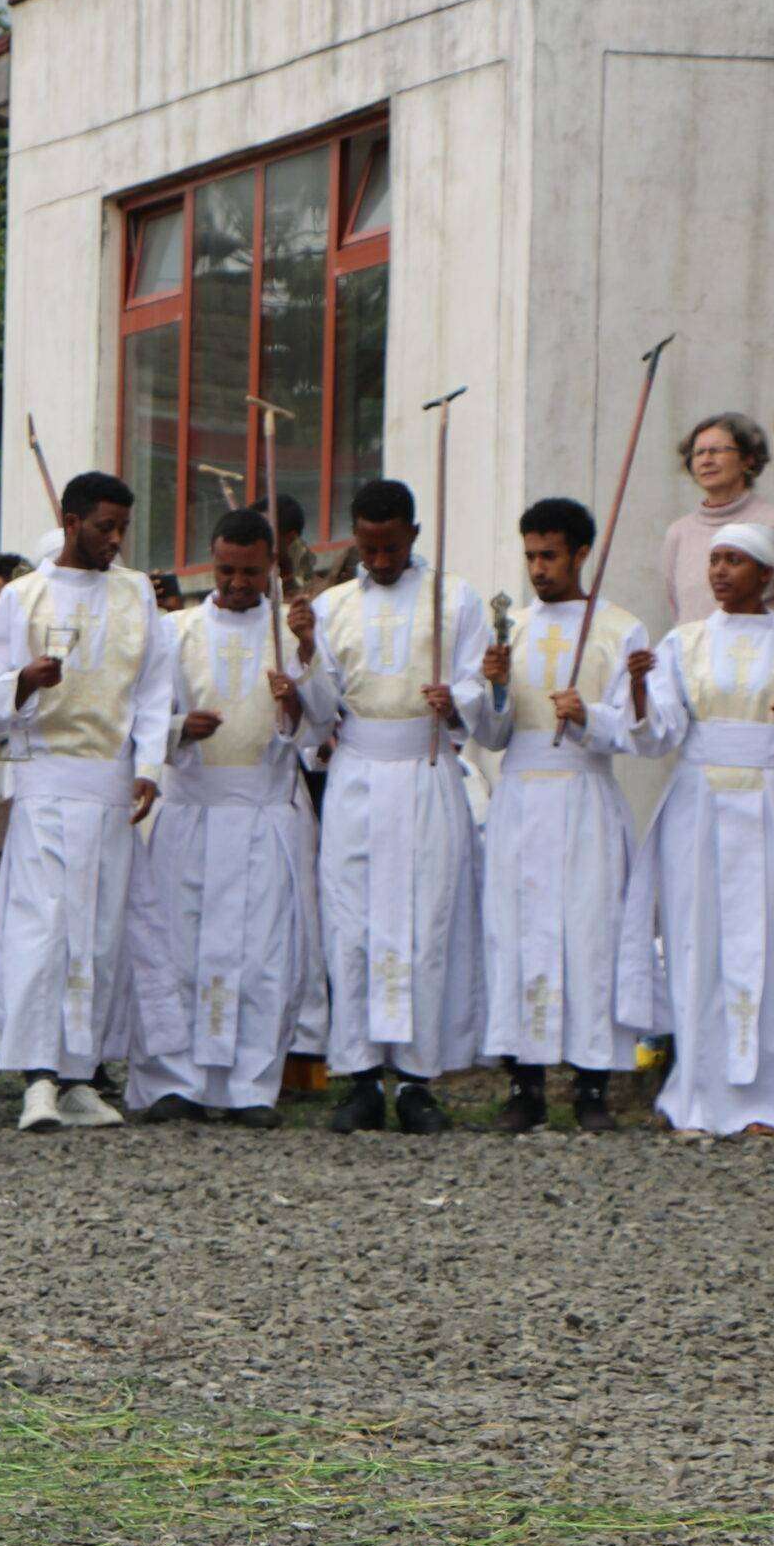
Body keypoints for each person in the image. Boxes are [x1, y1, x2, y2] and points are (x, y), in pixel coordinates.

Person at [618, 523, 774, 1136]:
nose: (719, 570)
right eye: (715, 559)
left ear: (769, 575)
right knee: (702, 941)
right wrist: (640, 690)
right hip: (700, 810)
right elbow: (660, 732)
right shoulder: (685, 642)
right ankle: (704, 1092)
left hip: (771, 806)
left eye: (736, 560)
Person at [0, 471, 176, 1132]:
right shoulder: (25, 596)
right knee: (45, 929)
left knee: (99, 931)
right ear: (70, 521)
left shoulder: (136, 592)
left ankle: (82, 1072)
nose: (115, 540)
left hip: (109, 783)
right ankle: (37, 1076)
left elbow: (151, 688)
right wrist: (24, 684)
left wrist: (148, 765)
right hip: (46, 783)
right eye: (102, 527)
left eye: (122, 527)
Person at [302, 478, 492, 1132]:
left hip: (426, 768)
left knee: (424, 921)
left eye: (389, 548)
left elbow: (478, 680)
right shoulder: (331, 606)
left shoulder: (455, 598)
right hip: (356, 774)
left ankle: (415, 1079)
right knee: (350, 927)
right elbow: (322, 709)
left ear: (413, 534)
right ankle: (358, 1077)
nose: (378, 562)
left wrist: (458, 697)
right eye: (367, 549)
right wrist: (302, 656)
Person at [125, 510, 322, 1127]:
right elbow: (148, 714)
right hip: (193, 807)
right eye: (227, 569)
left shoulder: (290, 636)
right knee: (175, 947)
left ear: (271, 567)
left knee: (263, 954)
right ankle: (170, 1081)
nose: (237, 582)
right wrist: (182, 729)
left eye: (250, 571)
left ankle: (250, 1085)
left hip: (263, 811)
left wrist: (298, 695)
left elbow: (321, 728)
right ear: (212, 563)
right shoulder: (174, 631)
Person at [472, 498, 658, 1133]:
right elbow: (493, 734)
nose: (538, 568)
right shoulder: (510, 628)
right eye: (530, 556)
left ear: (581, 554)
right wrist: (493, 687)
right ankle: (524, 1086)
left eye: (550, 555)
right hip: (521, 795)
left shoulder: (619, 628)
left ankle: (591, 1088)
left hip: (584, 798)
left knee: (589, 931)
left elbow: (639, 731)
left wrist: (589, 716)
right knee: (515, 932)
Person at [658, 413, 774, 629]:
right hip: (697, 660)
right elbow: (679, 610)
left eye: (716, 451)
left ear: (748, 459)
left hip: (762, 658)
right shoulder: (678, 533)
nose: (706, 460)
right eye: (698, 453)